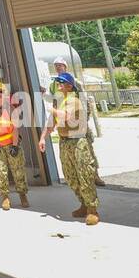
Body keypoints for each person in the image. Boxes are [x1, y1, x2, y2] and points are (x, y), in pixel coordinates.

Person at [39, 71, 100, 225]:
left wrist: (49, 107)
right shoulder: (59, 101)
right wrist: (42, 138)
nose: (58, 83)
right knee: (70, 175)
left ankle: (92, 209)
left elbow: (65, 116)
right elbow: (52, 122)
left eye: (61, 81)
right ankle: (83, 204)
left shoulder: (75, 100)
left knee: (84, 175)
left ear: (69, 85)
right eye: (57, 81)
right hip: (65, 142)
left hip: (78, 143)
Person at [47, 56, 106, 187]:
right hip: (65, 122)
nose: (58, 67)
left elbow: (84, 101)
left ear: (65, 67)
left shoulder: (75, 82)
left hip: (78, 121)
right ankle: (76, 178)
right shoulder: (54, 85)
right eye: (56, 65)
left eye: (60, 65)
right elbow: (55, 101)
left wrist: (84, 119)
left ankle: (95, 175)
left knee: (87, 151)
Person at [0, 81, 29, 210]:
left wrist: (14, 146)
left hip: (10, 144)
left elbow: (15, 129)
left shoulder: (10, 109)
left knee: (18, 171)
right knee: (1, 172)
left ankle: (22, 195)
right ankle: (5, 198)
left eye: (0, 91)